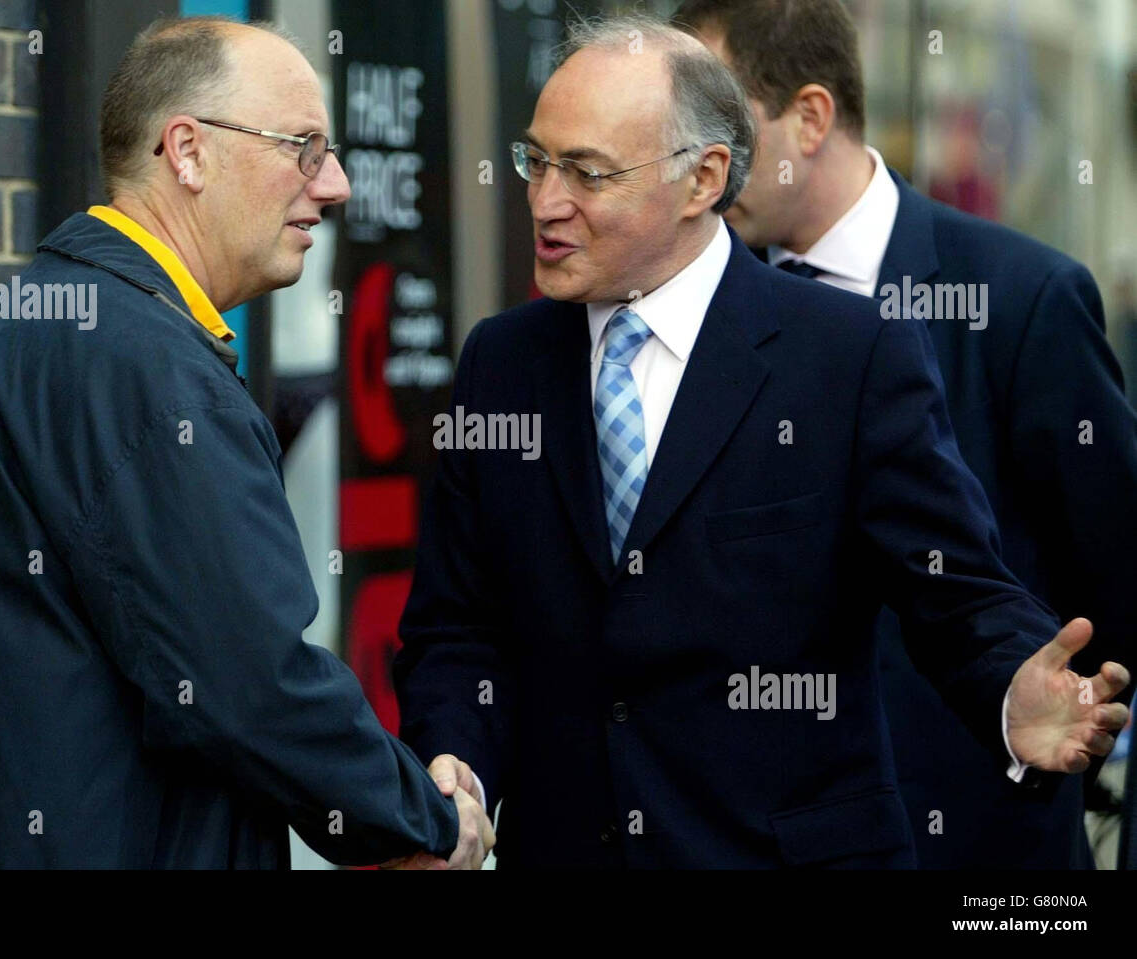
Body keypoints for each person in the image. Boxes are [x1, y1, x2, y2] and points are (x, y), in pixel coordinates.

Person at [393, 15, 1128, 869]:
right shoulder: (503, 360)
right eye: (537, 160)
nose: (546, 200)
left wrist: (1014, 694)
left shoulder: (848, 353)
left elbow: (955, 592)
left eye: (588, 173)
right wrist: (458, 772)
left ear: (703, 178)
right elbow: (457, 626)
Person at [0, 16, 492, 870]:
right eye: (302, 147)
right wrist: (429, 822)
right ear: (185, 151)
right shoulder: (153, 372)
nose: (333, 184)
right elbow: (256, 689)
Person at [674, 0, 1137, 868]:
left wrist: (1041, 729)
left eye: (723, 128)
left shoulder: (1021, 298)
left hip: (980, 844)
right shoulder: (701, 307)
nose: (702, 167)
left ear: (810, 117)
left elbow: (1115, 571)